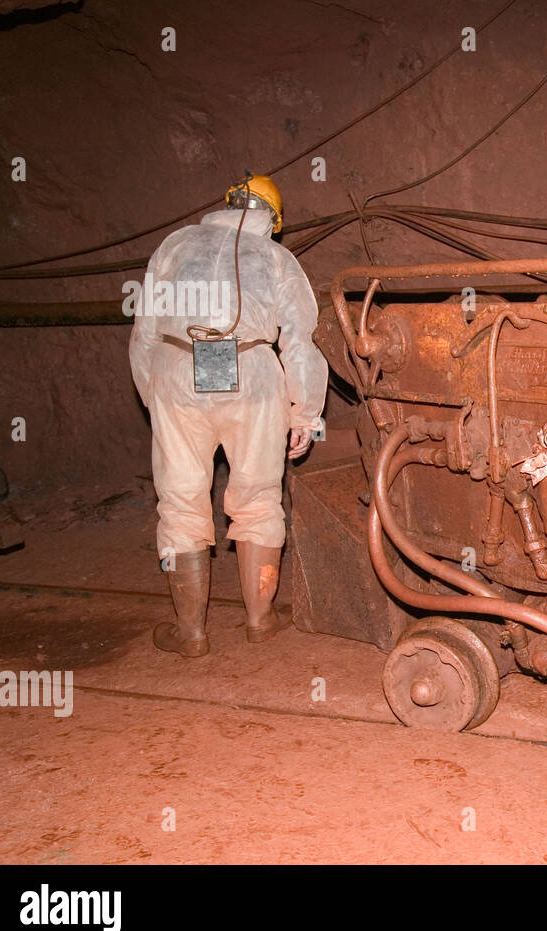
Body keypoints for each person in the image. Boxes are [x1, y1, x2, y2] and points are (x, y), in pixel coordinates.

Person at [129, 174, 327, 657]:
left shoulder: (175, 245)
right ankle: (260, 619)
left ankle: (190, 632)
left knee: (179, 500)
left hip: (178, 366)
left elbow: (144, 332)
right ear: (272, 221)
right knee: (259, 495)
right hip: (254, 371)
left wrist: (156, 396)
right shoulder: (278, 258)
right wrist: (306, 414)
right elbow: (300, 341)